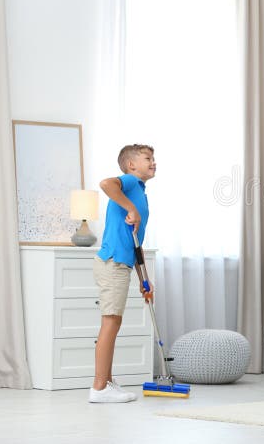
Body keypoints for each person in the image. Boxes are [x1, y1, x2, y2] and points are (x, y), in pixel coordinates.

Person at [89, 144, 156, 403]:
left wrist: (144, 279)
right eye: (147, 158)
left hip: (123, 262)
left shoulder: (140, 191)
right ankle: (99, 387)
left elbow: (136, 242)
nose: (153, 162)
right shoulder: (128, 182)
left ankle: (106, 382)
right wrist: (131, 208)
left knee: (113, 322)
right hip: (113, 262)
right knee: (111, 321)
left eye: (153, 158)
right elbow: (106, 183)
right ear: (131, 165)